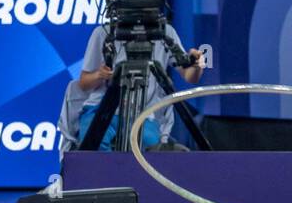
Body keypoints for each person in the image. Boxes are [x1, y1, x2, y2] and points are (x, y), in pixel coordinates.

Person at [77, 24, 205, 151]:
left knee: (149, 152)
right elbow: (84, 83)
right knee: (94, 148)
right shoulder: (103, 32)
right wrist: (99, 75)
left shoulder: (165, 32)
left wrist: (196, 65)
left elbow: (190, 76)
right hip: (100, 110)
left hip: (144, 115)